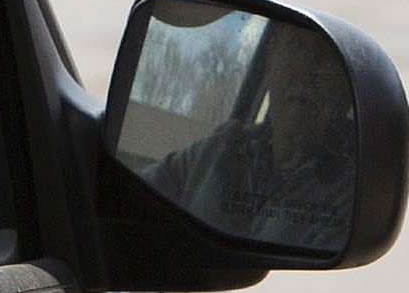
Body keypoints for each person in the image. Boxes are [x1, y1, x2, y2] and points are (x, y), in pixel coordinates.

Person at [142, 30, 356, 252]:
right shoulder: (224, 145)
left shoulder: (349, 195)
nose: (306, 70)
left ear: (349, 89)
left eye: (327, 58)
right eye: (296, 47)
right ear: (269, 60)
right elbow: (138, 194)